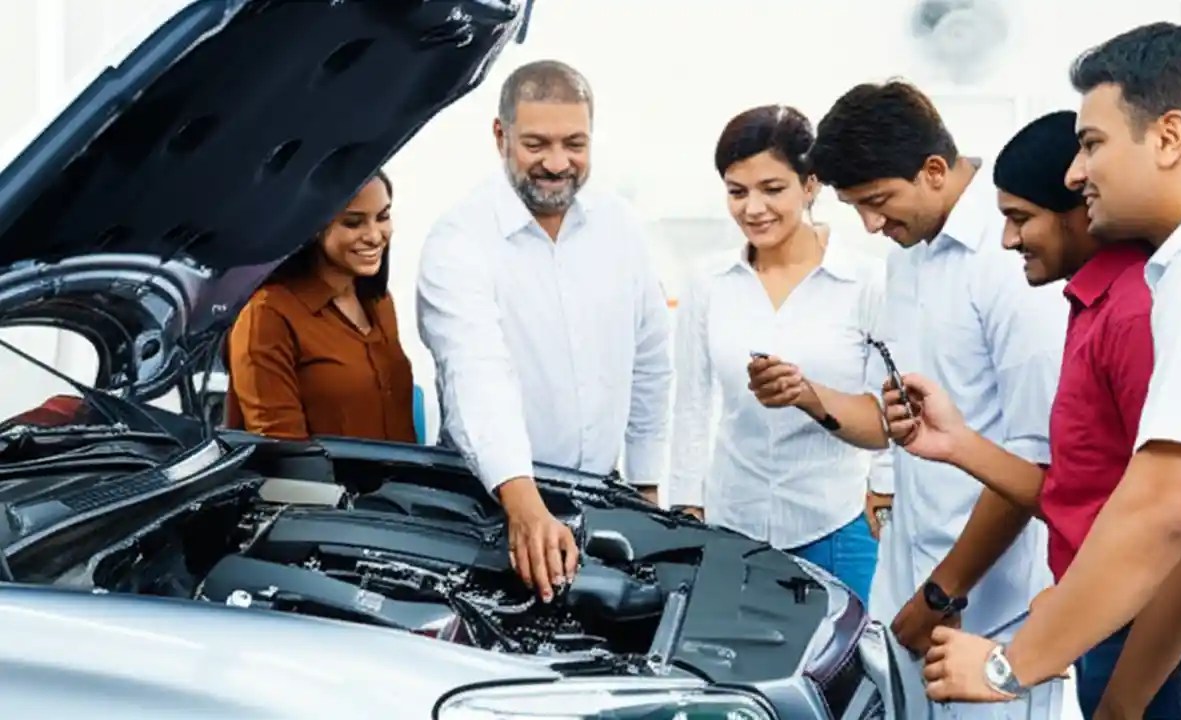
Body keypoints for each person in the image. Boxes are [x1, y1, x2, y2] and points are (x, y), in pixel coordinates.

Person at [916, 23, 1181, 719]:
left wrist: (1007, 662)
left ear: (1170, 137)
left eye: (1092, 144)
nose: (1076, 172)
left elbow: (1166, 508)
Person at [882, 109, 1181, 718]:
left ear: (1082, 211)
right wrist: (958, 444)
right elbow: (1081, 497)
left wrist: (1119, 706)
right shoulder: (1091, 304)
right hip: (1111, 621)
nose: (1010, 240)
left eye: (1021, 219)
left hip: (1157, 641)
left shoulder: (1131, 312)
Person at [751, 80, 1069, 719]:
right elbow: (901, 421)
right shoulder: (909, 251)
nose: (871, 224)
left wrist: (943, 594)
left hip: (990, 611)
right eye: (855, 207)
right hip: (910, 589)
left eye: (877, 202)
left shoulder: (1014, 259)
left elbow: (1038, 468)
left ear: (932, 171)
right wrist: (826, 400)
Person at [417, 60, 672, 604]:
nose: (557, 163)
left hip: (608, 494)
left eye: (574, 143)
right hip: (493, 504)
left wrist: (647, 487)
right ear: (500, 135)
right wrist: (525, 505)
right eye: (537, 144)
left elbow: (649, 359)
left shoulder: (621, 227)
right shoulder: (458, 241)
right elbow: (476, 373)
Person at [667, 105, 890, 602]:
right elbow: (692, 404)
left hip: (838, 521)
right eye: (737, 191)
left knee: (845, 670)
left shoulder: (867, 282)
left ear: (810, 185)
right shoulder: (708, 282)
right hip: (731, 526)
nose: (753, 209)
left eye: (772, 189)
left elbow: (890, 403)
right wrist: (685, 505)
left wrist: (886, 488)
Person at [226, 170, 416, 443]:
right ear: (314, 227)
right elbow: (283, 453)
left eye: (383, 217)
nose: (375, 236)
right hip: (325, 486)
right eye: (353, 223)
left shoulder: (380, 301)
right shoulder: (267, 315)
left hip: (401, 483)